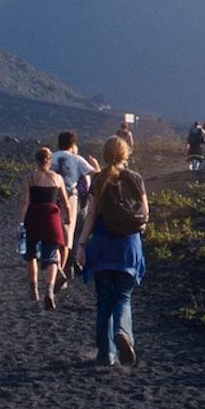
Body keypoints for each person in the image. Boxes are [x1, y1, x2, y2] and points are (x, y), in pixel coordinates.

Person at [74, 135, 148, 366]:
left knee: (104, 301)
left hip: (103, 246)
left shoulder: (98, 179)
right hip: (129, 246)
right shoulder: (135, 178)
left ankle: (106, 353)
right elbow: (145, 213)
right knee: (123, 298)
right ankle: (123, 333)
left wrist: (81, 245)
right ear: (126, 154)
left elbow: (91, 216)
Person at [18, 146, 70, 309]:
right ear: (50, 160)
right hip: (51, 217)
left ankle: (33, 289)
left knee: (31, 254)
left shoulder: (30, 178)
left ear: (36, 160)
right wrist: (67, 216)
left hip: (34, 216)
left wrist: (21, 221)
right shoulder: (57, 178)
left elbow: (25, 201)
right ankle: (49, 290)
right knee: (52, 255)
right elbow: (65, 202)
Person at [49, 130, 100, 293]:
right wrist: (97, 166)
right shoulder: (77, 159)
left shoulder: (51, 157)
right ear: (72, 144)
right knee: (68, 235)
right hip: (69, 197)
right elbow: (96, 175)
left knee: (53, 235)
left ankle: (54, 266)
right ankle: (63, 269)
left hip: (50, 197)